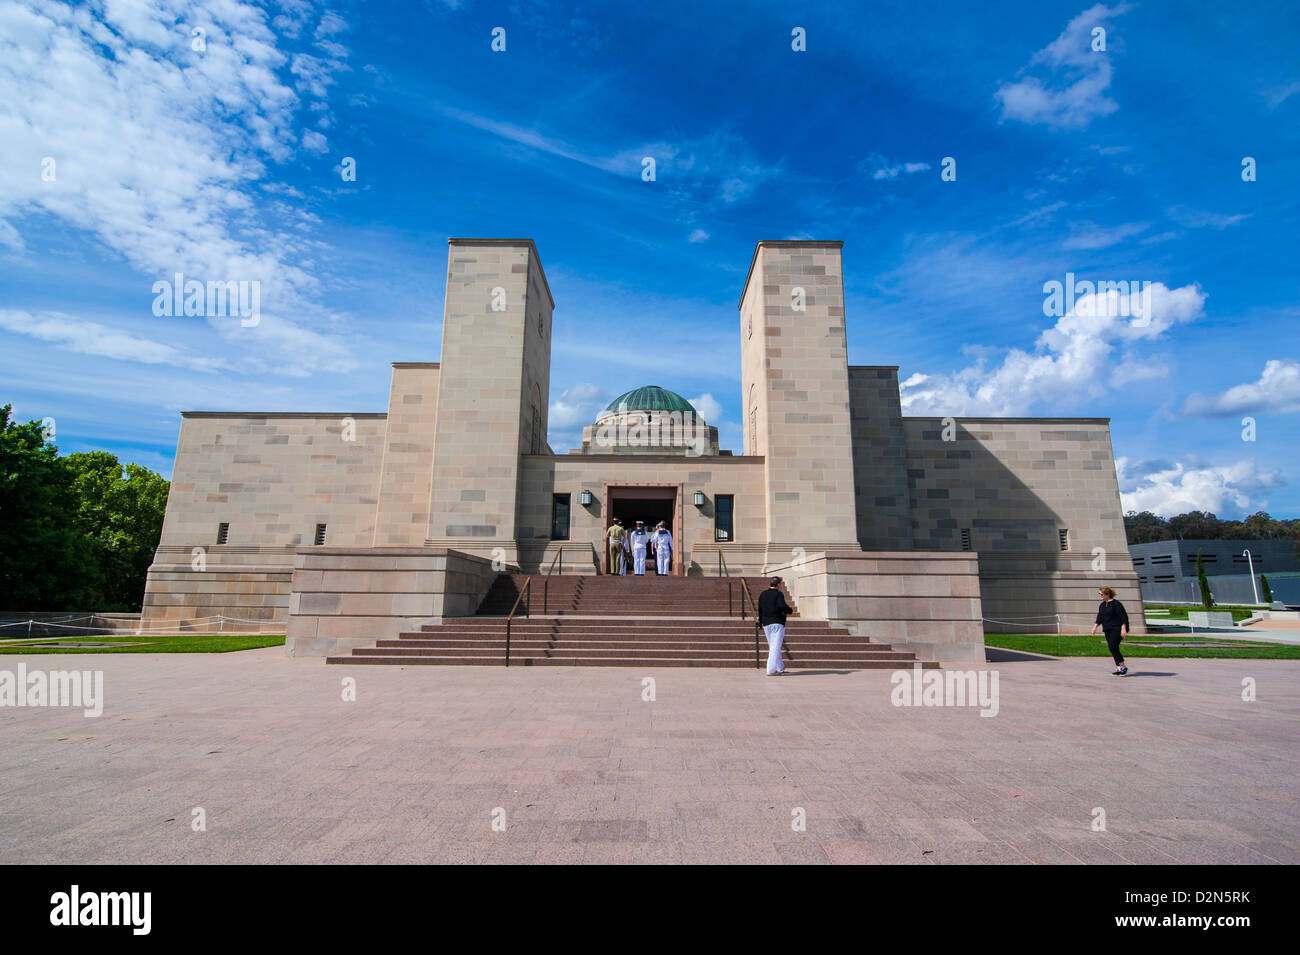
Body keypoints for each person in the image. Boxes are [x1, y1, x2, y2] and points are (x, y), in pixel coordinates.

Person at [1090, 585, 1130, 675]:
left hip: (1117, 629)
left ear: (1107, 594)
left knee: (1112, 645)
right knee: (1112, 648)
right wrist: (1095, 626)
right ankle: (1120, 668)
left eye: (1101, 594)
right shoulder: (1102, 605)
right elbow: (1100, 616)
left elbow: (1123, 616)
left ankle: (1122, 666)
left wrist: (1123, 629)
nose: (1100, 596)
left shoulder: (1116, 604)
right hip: (1107, 629)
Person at [758, 577, 794, 676]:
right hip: (777, 622)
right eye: (780, 584)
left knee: (773, 645)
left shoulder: (763, 594)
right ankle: (771, 670)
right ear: (778, 584)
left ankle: (780, 666)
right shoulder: (778, 594)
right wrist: (789, 610)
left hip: (766, 623)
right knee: (775, 647)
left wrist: (760, 622)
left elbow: (760, 610)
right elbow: (781, 605)